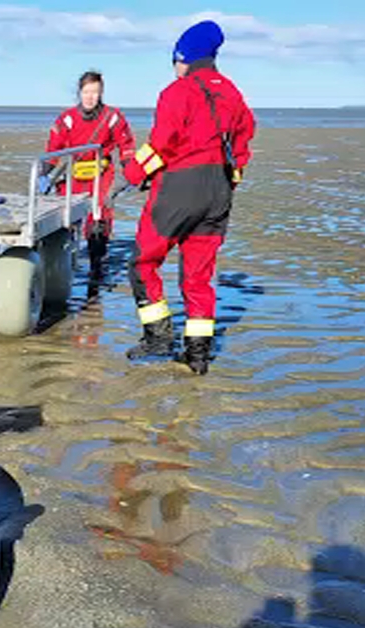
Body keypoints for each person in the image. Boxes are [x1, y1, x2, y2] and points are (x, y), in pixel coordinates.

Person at [122, 20, 257, 375]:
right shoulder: (233, 92)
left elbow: (161, 144)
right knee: (198, 276)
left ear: (184, 58)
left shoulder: (176, 92)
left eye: (175, 60)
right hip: (219, 191)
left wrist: (134, 174)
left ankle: (159, 337)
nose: (175, 67)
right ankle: (197, 357)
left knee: (142, 261)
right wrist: (229, 182)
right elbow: (243, 145)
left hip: (179, 188)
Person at [44, 71, 136, 281]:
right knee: (65, 220)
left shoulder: (112, 117)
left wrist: (130, 171)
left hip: (101, 175)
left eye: (95, 92)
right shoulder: (67, 118)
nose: (90, 97)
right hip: (74, 176)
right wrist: (44, 173)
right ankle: (62, 267)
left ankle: (97, 268)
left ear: (101, 93)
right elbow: (53, 149)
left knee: (98, 219)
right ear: (80, 92)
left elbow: (126, 145)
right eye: (86, 92)